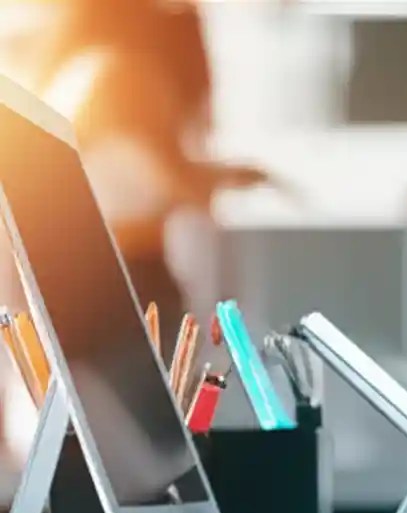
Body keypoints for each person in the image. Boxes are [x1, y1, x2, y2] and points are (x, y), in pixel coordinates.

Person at [18, 0, 268, 348]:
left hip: (88, 280)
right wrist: (222, 178)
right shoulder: (117, 75)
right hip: (119, 280)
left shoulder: (76, 72)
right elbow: (167, 175)